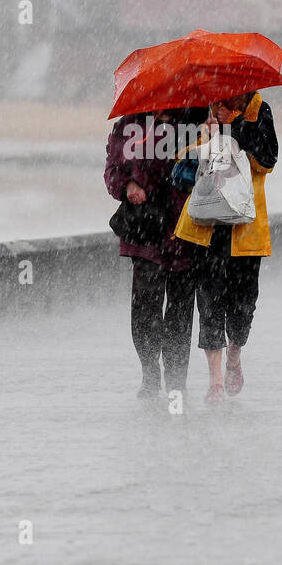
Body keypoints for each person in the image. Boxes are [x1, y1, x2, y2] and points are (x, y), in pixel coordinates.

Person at [173, 91, 278, 401]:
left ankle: (234, 356)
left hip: (245, 225)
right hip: (207, 226)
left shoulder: (259, 110)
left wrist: (236, 127)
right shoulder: (203, 109)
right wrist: (204, 143)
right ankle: (215, 379)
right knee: (209, 300)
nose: (219, 104)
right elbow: (179, 167)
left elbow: (267, 160)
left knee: (244, 303)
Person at [104, 107, 203, 398]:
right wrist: (128, 185)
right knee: (145, 308)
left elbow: (212, 168)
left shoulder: (197, 121)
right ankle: (149, 371)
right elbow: (112, 171)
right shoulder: (129, 126)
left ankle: (176, 380)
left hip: (186, 228)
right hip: (146, 231)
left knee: (181, 310)